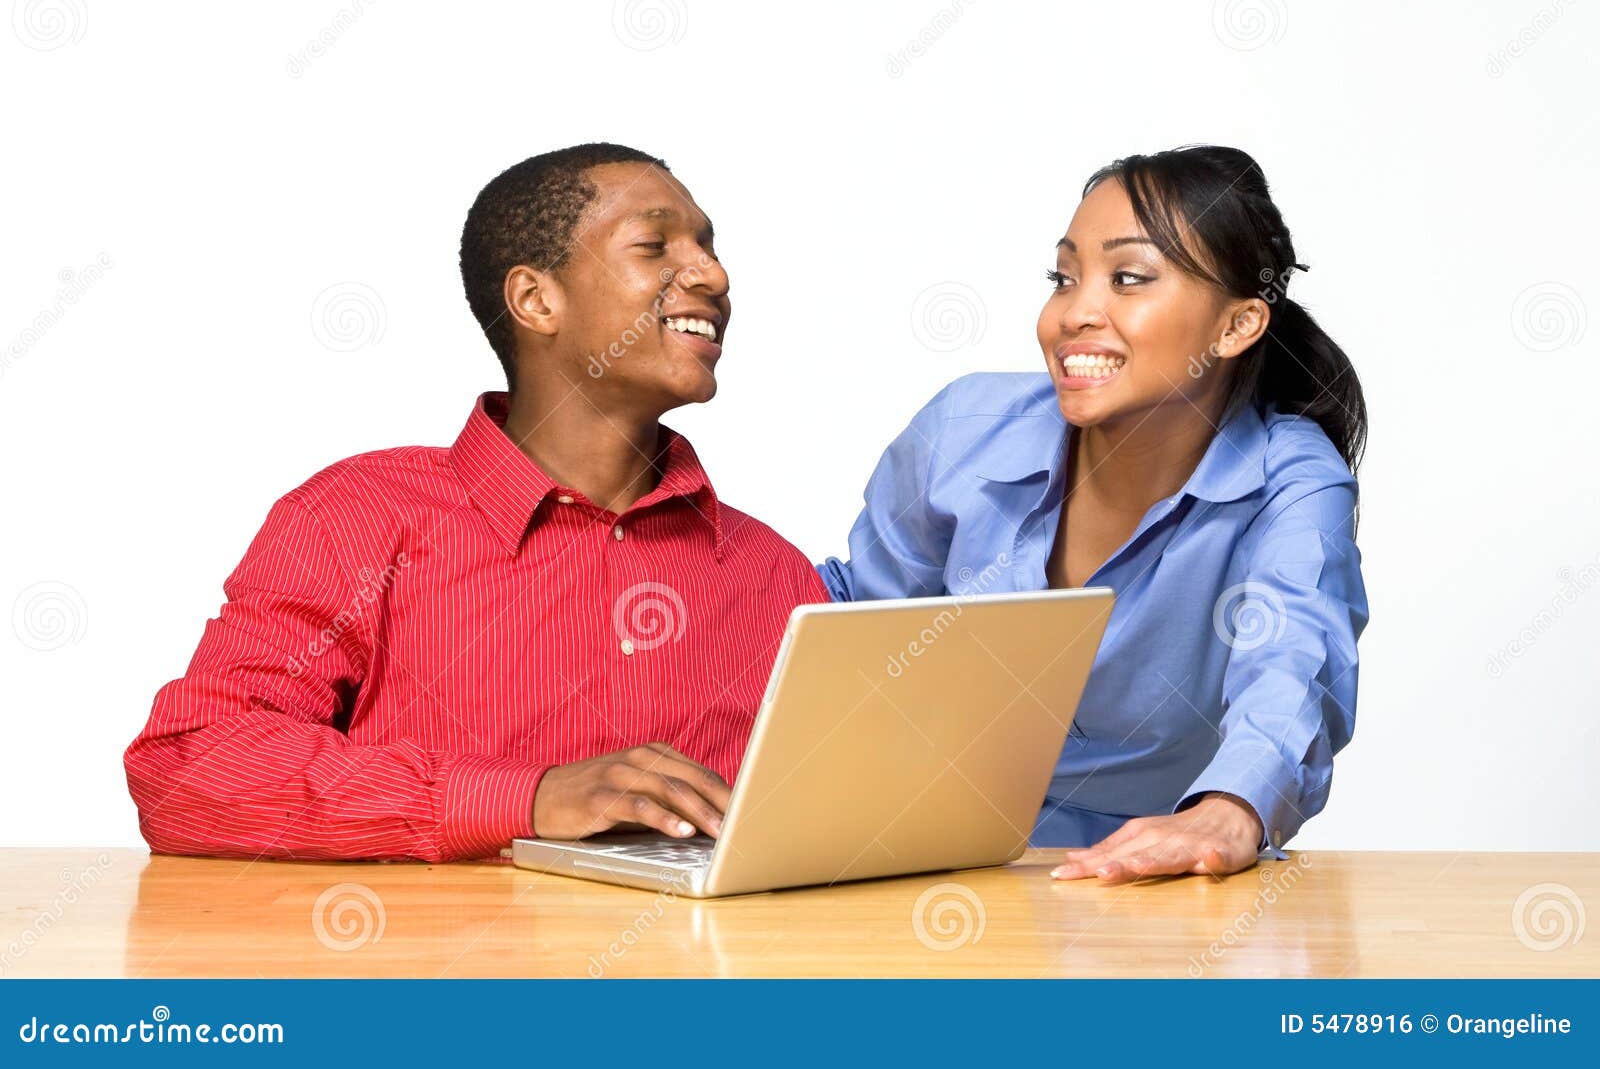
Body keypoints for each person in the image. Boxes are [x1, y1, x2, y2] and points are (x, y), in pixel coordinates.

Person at [125, 143, 828, 861]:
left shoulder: (774, 575)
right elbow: (190, 768)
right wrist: (528, 797)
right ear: (535, 300)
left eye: (709, 247)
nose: (713, 275)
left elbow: (841, 819)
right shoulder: (356, 518)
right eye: (655, 246)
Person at [821, 145, 1369, 884]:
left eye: (1128, 278)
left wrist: (1232, 807)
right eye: (1063, 278)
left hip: (1150, 878)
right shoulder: (964, 429)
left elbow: (1296, 662)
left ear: (1237, 325)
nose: (1074, 313)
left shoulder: (1290, 479)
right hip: (929, 861)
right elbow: (851, 623)